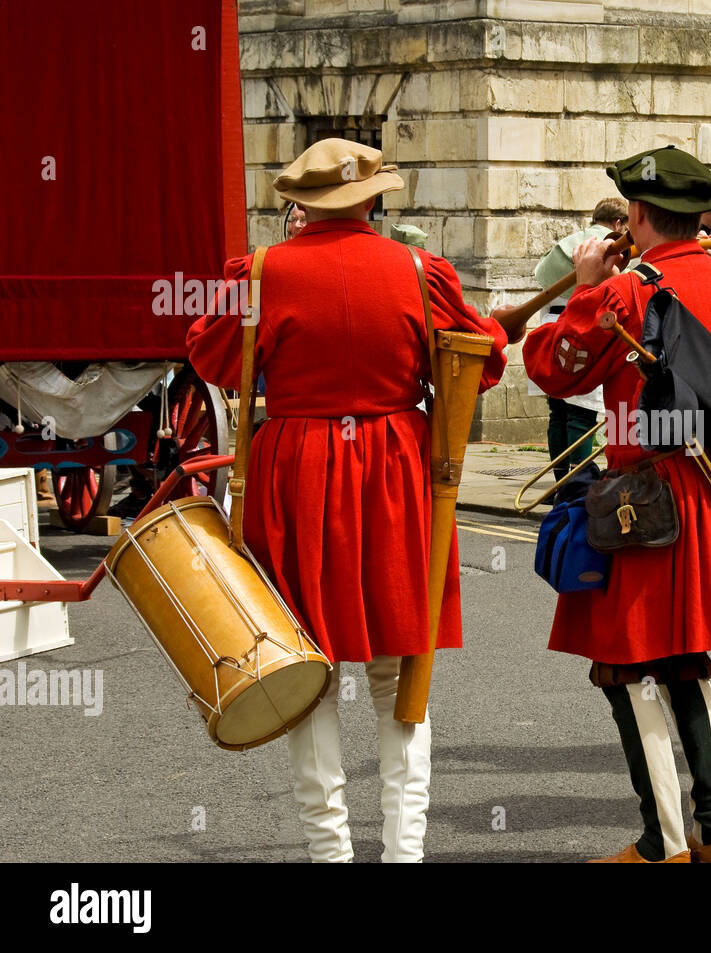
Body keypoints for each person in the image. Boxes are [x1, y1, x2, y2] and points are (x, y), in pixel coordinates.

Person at [187, 138, 507, 862]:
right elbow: (483, 360)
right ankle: (403, 852)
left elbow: (208, 356)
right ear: (373, 198)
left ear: (301, 205)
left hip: (297, 469)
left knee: (309, 672)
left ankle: (330, 855)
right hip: (398, 469)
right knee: (402, 672)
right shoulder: (422, 271)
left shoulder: (263, 271)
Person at [523, 145, 711, 864]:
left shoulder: (631, 290)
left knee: (624, 667)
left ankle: (662, 842)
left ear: (638, 213)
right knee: (687, 660)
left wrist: (588, 287)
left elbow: (554, 366)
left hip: (646, 497)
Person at [530, 198, 627, 479]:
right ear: (618, 224)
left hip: (550, 327)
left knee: (558, 411)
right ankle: (578, 482)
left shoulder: (570, 243)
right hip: (584, 331)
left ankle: (560, 481)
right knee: (580, 415)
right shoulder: (610, 247)